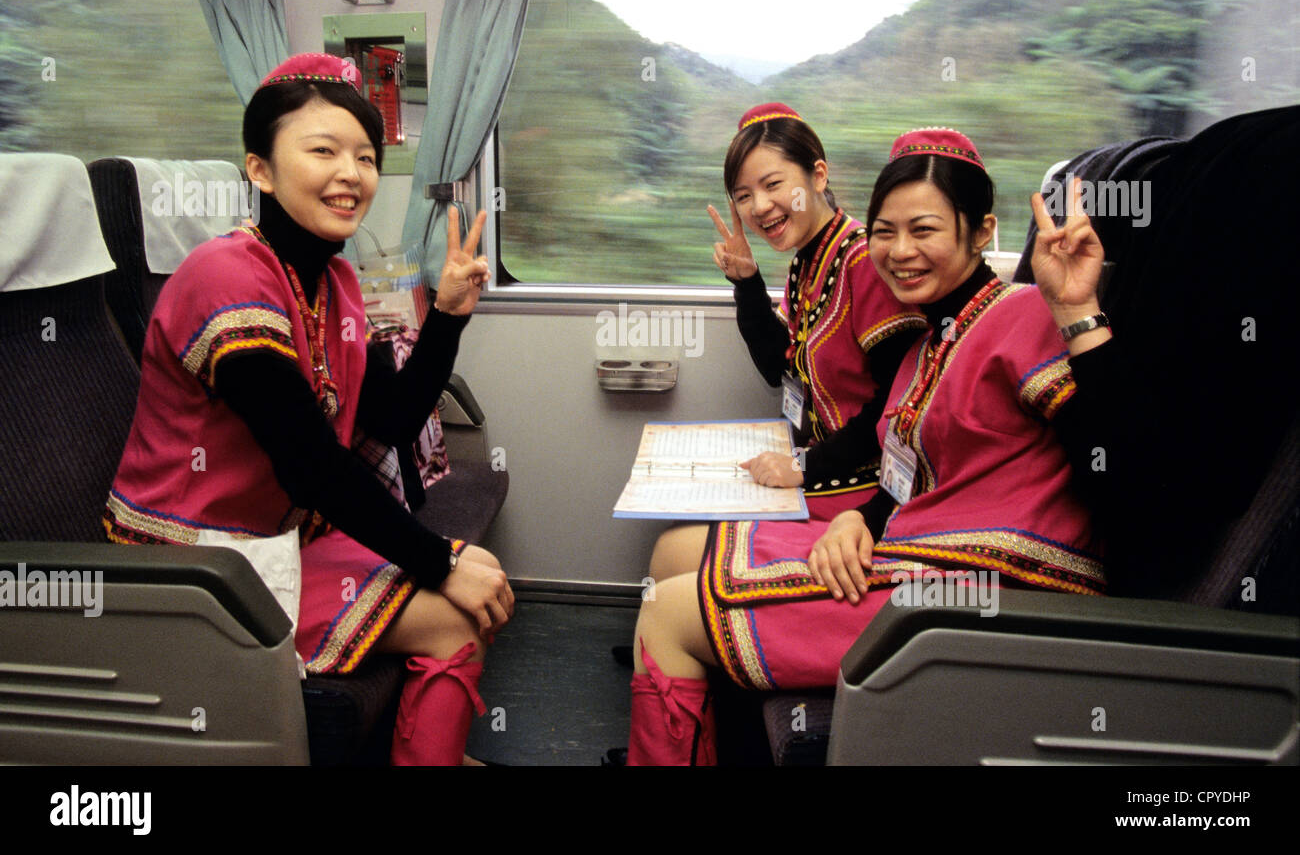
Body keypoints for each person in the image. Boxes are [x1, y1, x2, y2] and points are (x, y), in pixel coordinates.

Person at [625, 127, 1109, 765]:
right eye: (884, 231)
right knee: (668, 563)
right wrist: (864, 518)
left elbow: (1120, 462)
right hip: (920, 545)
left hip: (997, 588)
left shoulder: (1023, 315)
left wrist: (1079, 313)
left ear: (982, 231)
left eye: (925, 230)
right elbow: (914, 472)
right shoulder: (930, 339)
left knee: (667, 617)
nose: (899, 251)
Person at [102, 53, 514, 766]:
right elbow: (310, 464)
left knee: (484, 584)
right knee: (459, 613)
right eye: (321, 150)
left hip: (284, 537)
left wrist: (446, 316)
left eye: (364, 155)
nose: (350, 173)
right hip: (196, 560)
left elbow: (389, 419)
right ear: (260, 169)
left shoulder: (336, 281)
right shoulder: (225, 276)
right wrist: (437, 558)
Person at [648, 104, 926, 588]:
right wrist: (748, 284)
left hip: (869, 481)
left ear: (818, 175)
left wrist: (800, 466)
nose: (758, 207)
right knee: (675, 544)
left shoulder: (864, 263)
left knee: (679, 551)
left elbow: (892, 412)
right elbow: (780, 369)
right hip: (824, 457)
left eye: (773, 185)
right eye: (743, 195)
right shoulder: (807, 263)